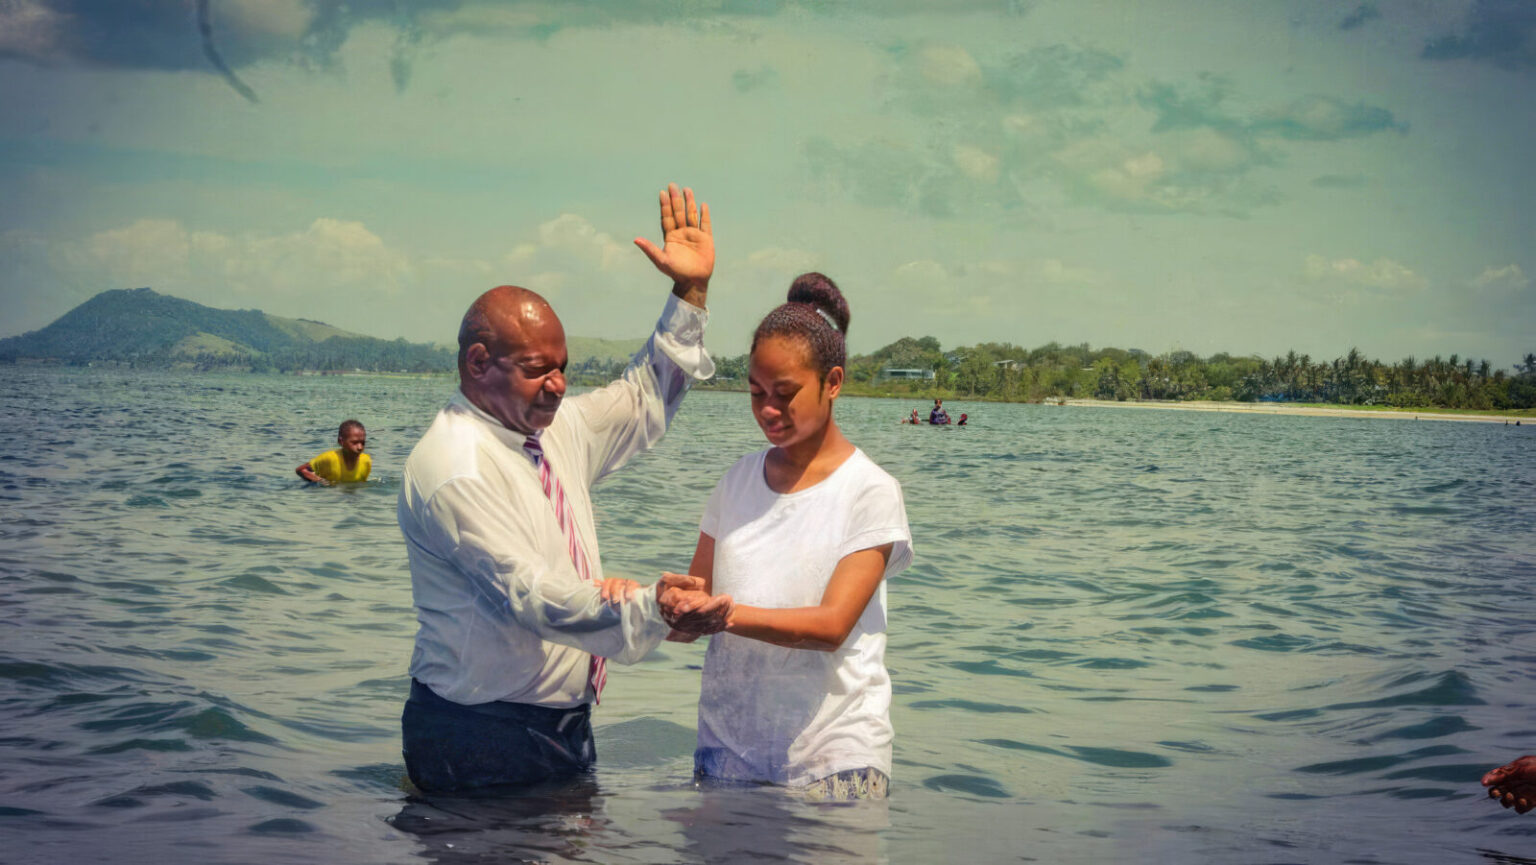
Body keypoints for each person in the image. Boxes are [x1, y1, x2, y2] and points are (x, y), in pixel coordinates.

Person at [396, 183, 733, 794]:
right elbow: (530, 595)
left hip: (560, 725)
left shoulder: (554, 429)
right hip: (476, 733)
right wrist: (646, 606)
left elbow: (642, 399)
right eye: (536, 371)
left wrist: (690, 293)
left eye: (563, 368)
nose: (556, 386)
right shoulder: (454, 469)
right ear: (477, 364)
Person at [664, 272, 913, 800]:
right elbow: (694, 612)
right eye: (755, 393)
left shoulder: (869, 491)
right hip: (727, 753)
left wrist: (721, 613)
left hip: (833, 763)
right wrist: (664, 606)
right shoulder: (735, 482)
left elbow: (830, 627)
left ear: (834, 382)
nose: (768, 411)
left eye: (785, 394)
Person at [295, 419, 371, 484]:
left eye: (363, 443)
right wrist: (319, 480)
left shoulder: (366, 461)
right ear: (341, 441)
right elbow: (300, 470)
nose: (360, 447)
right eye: (354, 443)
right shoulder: (329, 458)